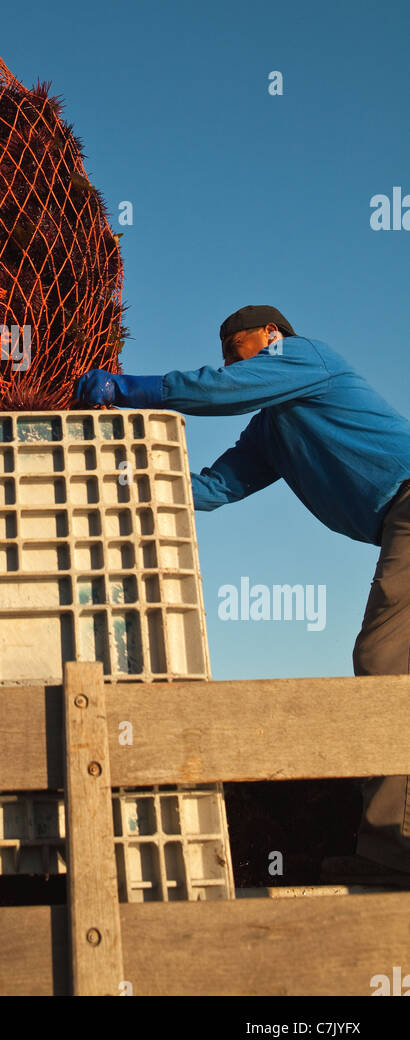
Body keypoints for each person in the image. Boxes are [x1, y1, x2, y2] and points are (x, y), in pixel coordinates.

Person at [74, 304, 410, 883]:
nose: (229, 358)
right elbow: (215, 487)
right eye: (225, 349)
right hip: (398, 524)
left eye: (235, 345)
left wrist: (123, 389)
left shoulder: (308, 357)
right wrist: (126, 481)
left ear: (271, 337)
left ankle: (389, 856)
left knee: (383, 663)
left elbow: (218, 390)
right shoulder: (272, 431)